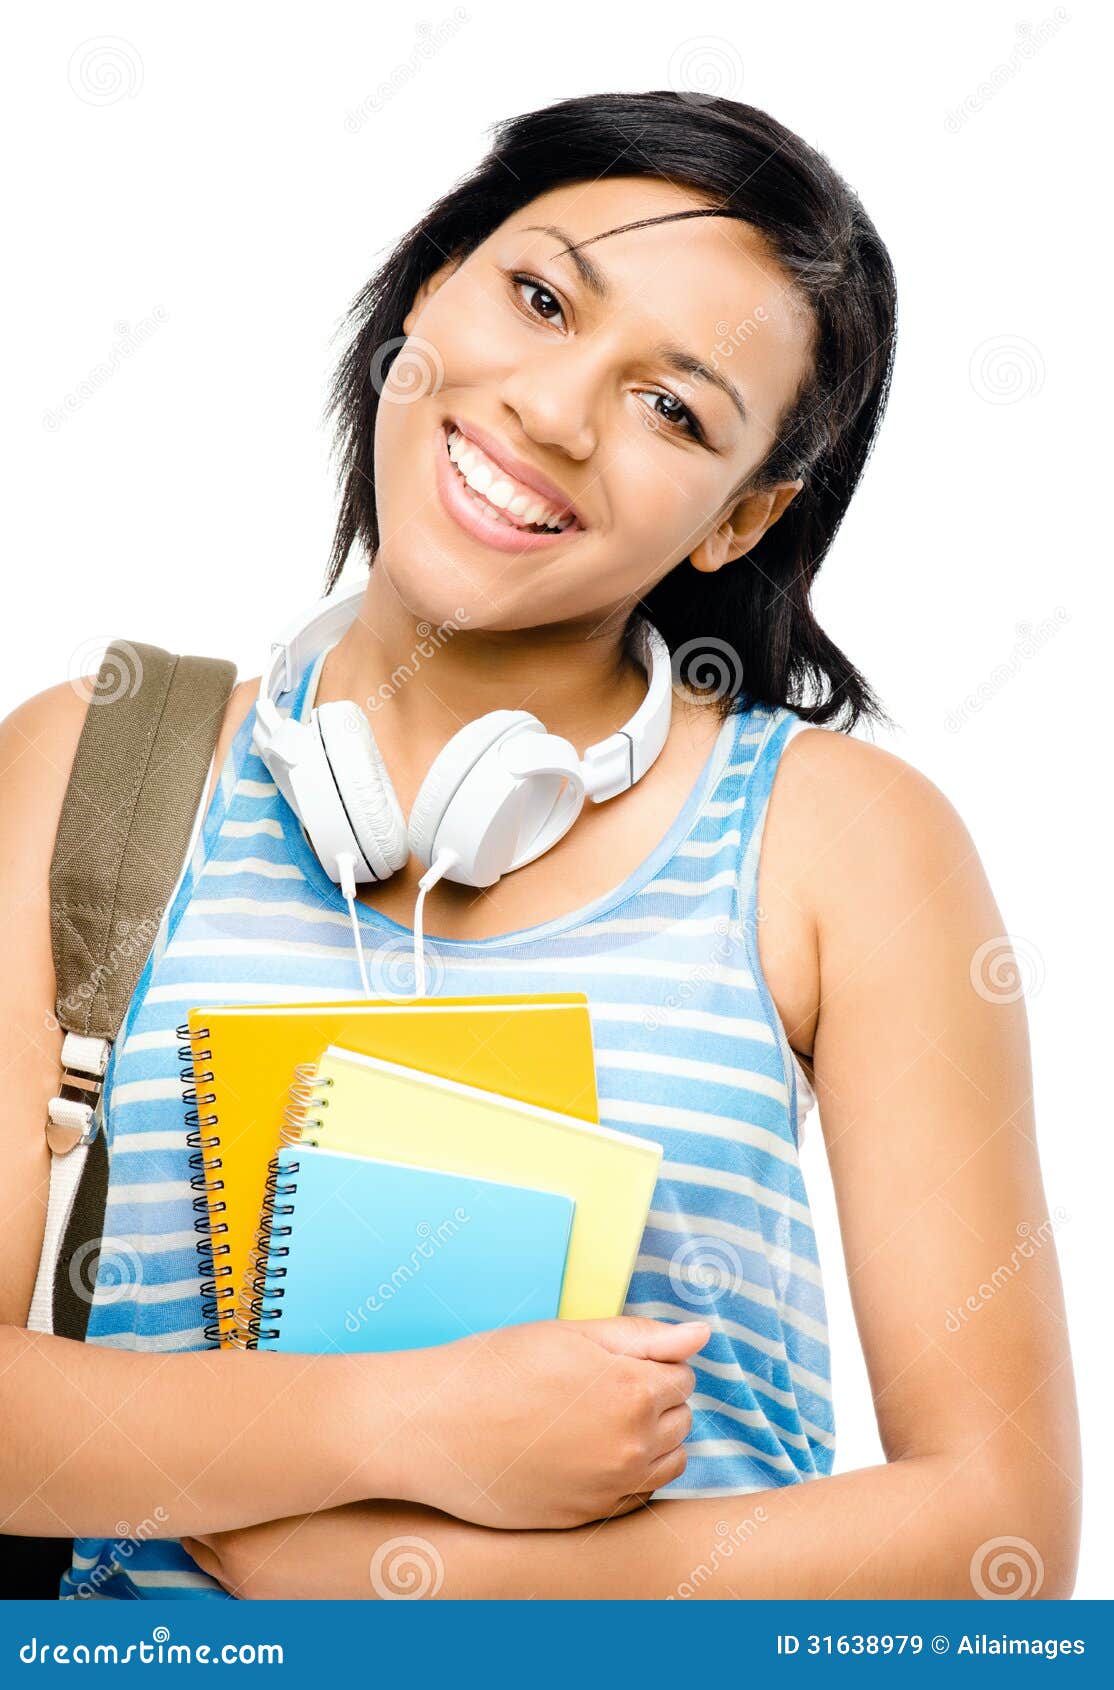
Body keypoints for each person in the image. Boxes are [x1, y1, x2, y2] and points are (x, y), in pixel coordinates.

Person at [0, 90, 1079, 1601]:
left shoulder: (843, 841)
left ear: (738, 518)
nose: (555, 412)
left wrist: (412, 1576)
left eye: (673, 408)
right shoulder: (95, 767)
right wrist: (405, 1420)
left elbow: (991, 1532)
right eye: (537, 296)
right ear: (426, 284)